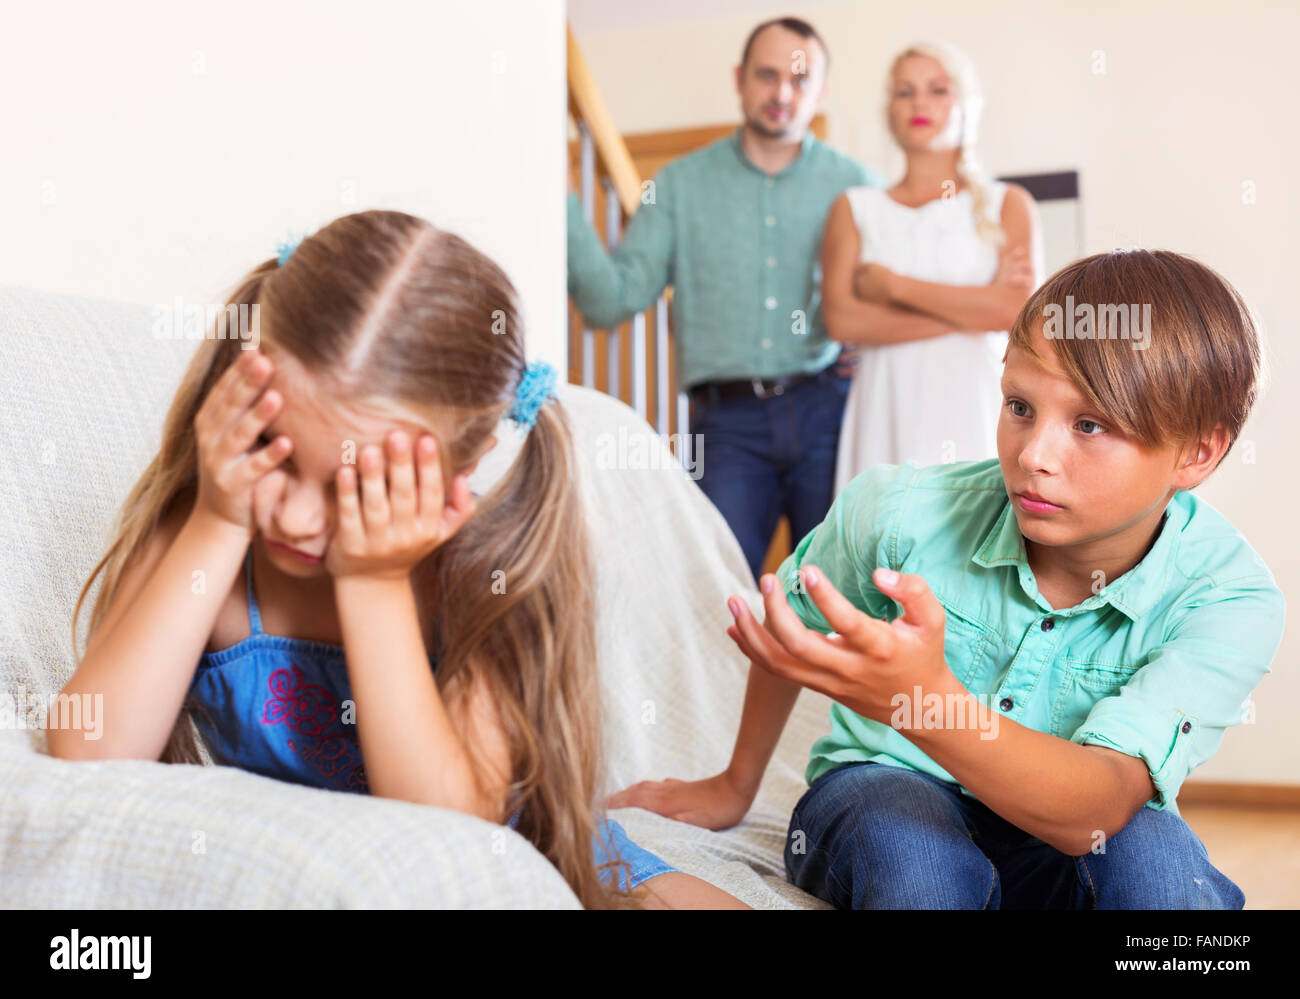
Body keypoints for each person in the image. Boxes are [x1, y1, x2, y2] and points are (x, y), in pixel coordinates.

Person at [49, 211, 748, 910]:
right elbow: (87, 747)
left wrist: (372, 583)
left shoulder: (483, 576)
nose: (292, 517)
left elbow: (451, 839)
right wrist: (215, 519)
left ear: (464, 466)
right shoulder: (206, 539)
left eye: (357, 488)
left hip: (535, 870)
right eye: (272, 449)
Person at [611, 248, 1284, 909]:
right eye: (1020, 406)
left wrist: (927, 699)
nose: (1034, 455)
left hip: (1070, 833)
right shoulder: (898, 511)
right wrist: (735, 783)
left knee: (1158, 861)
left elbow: (1100, 806)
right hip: (890, 789)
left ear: (1198, 451)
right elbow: (794, 627)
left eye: (1089, 425)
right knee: (913, 856)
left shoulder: (1228, 598)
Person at [567, 16, 886, 582]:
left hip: (829, 412)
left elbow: (886, 293)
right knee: (717, 595)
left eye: (799, 78)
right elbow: (610, 301)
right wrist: (559, 199)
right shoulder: (677, 185)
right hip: (728, 426)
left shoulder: (859, 186)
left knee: (841, 597)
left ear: (821, 90)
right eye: (767, 75)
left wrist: (874, 342)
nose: (782, 93)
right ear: (740, 79)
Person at [821, 40, 1042, 494]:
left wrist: (894, 288)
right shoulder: (854, 208)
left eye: (937, 89)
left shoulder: (1009, 205)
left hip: (975, 402)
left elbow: (1017, 313)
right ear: (889, 111)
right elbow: (843, 320)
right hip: (886, 404)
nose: (920, 102)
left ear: (966, 104)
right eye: (906, 91)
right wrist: (975, 309)